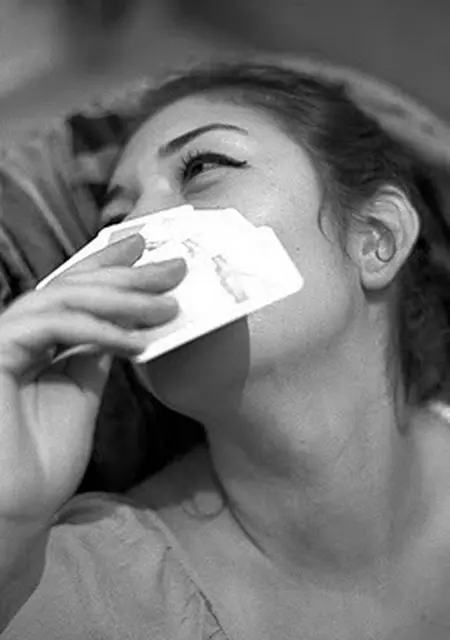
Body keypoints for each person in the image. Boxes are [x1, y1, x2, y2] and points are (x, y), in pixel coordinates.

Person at [2, 60, 450, 639]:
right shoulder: (61, 589)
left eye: (202, 168)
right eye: (112, 220)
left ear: (376, 239)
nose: (136, 233)